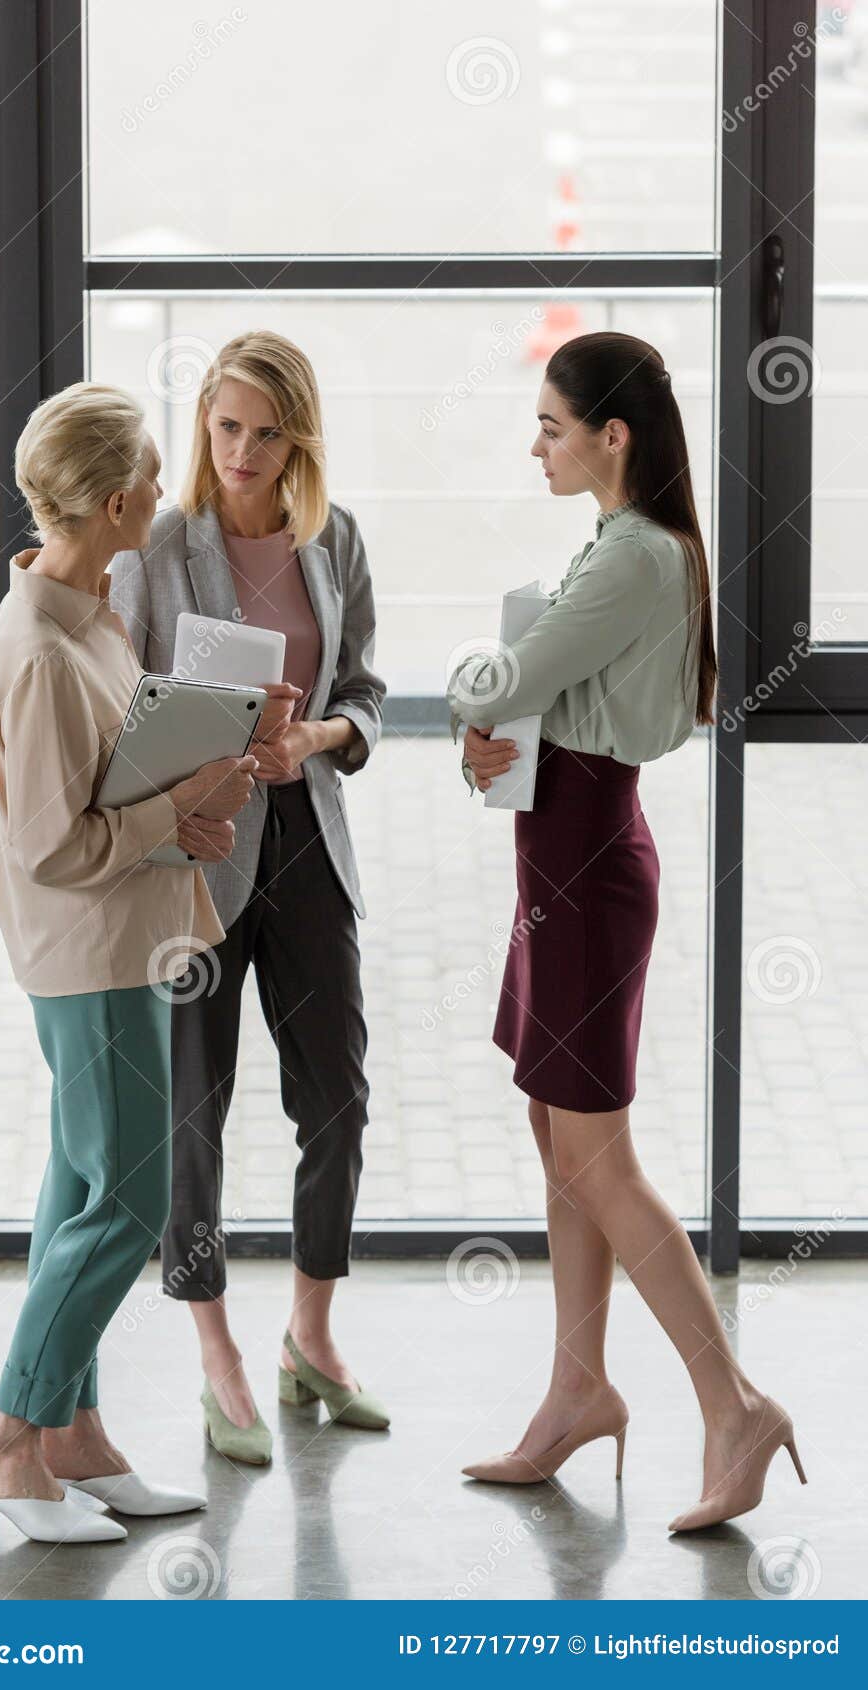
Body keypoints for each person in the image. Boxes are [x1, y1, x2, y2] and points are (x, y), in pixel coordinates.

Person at [449, 332, 807, 1533]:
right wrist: (500, 720)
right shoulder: (615, 545)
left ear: (615, 436)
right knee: (559, 1136)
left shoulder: (638, 557)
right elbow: (525, 700)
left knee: (601, 1158)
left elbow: (499, 681)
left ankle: (736, 1402)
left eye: (553, 426)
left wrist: (483, 701)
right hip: (561, 854)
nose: (535, 445)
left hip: (590, 866)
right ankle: (578, 1387)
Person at [0, 382, 256, 1543]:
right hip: (84, 952)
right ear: (123, 498)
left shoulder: (92, 611)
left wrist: (204, 768)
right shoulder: (36, 652)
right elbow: (51, 844)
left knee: (83, 1182)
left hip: (129, 936)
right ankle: (4, 1439)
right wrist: (174, 811)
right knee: (131, 1195)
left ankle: (70, 1430)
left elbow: (118, 767)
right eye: (152, 468)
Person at [110, 330, 388, 1464]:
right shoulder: (160, 551)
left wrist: (313, 735)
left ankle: (309, 1337)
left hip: (307, 845)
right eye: (229, 428)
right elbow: (120, 706)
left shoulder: (338, 540)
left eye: (269, 433)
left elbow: (364, 693)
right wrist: (206, 747)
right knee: (194, 1116)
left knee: (338, 1100)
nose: (245, 452)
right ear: (204, 427)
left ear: (298, 439)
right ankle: (216, 1350)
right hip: (196, 859)